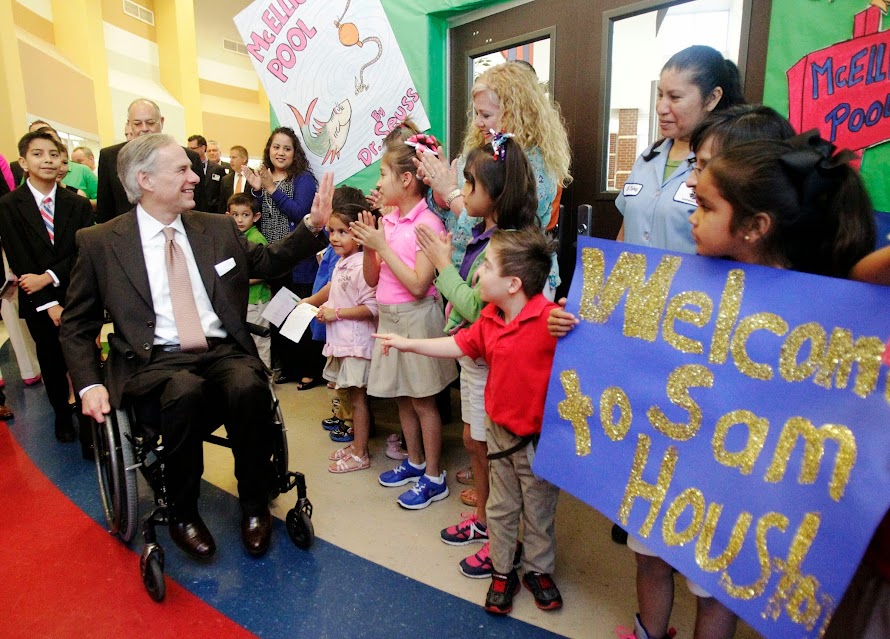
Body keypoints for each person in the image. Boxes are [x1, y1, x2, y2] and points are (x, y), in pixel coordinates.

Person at [555, 133, 875, 639]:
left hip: (732, 488)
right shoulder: (685, 284)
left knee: (716, 583)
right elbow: (624, 340)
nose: (691, 216)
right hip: (664, 465)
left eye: (704, 205)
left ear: (754, 226)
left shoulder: (814, 315)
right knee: (650, 558)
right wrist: (578, 325)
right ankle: (648, 632)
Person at [60, 133, 334, 559]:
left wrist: (312, 226)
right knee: (183, 392)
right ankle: (184, 514)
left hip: (220, 349)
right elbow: (77, 324)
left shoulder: (217, 228)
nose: (194, 177)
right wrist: (88, 384)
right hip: (155, 361)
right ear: (145, 179)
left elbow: (268, 261)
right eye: (182, 170)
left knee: (248, 385)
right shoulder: (100, 242)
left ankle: (255, 504)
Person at [375, 227, 563, 615]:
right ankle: (501, 568)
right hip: (499, 433)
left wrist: (573, 323)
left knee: (539, 509)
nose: (477, 274)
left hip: (539, 440)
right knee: (501, 506)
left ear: (512, 284)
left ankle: (538, 571)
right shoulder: (490, 319)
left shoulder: (550, 320)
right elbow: (456, 344)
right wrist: (408, 343)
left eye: (487, 267)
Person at [418, 133, 539, 578]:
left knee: (492, 449)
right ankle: (487, 522)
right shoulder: (485, 234)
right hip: (473, 357)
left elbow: (475, 307)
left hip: (490, 361)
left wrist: (442, 266)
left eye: (469, 185)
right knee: (474, 439)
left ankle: (499, 532)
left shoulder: (505, 246)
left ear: (497, 195)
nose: (461, 193)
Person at [350, 120, 457, 510]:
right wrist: (369, 245)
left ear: (408, 179)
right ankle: (413, 462)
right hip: (390, 318)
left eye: (383, 174)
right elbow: (373, 277)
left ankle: (433, 475)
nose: (379, 182)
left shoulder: (427, 224)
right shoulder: (390, 220)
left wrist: (382, 243)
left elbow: (416, 283)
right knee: (402, 397)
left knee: (424, 399)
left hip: (417, 317)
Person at [414, 61, 571, 292]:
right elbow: (448, 213)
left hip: (513, 282)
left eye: (486, 114)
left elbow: (502, 224)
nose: (478, 122)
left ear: (516, 113)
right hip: (466, 277)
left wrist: (450, 193)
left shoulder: (532, 164)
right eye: (476, 113)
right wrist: (437, 188)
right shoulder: (479, 152)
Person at [0, 131, 93, 450]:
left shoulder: (77, 205)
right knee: (52, 364)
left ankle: (88, 422)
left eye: (53, 154)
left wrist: (50, 276)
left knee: (83, 362)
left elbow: (82, 252)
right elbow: (19, 256)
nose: (48, 160)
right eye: (38, 154)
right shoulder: (9, 205)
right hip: (38, 302)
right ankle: (61, 416)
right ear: (23, 162)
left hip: (77, 296)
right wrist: (48, 302)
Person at [615, 44, 744, 255]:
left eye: (675, 98)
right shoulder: (647, 159)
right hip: (636, 285)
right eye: (660, 95)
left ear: (712, 98)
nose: (661, 108)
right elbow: (624, 232)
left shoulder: (723, 162)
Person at [303, 188, 378, 473]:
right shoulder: (343, 262)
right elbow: (334, 289)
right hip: (344, 343)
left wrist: (336, 314)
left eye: (342, 232)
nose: (334, 237)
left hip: (357, 344)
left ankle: (361, 452)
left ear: (358, 235)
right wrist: (312, 302)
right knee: (351, 398)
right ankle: (357, 444)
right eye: (332, 231)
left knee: (359, 401)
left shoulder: (361, 265)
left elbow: (372, 308)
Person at [243, 127, 320, 388]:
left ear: (295, 152)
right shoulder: (262, 177)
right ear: (269, 149)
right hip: (272, 260)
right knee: (280, 316)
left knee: (301, 315)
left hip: (298, 260)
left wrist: (271, 188)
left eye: (287, 148)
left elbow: (301, 214)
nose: (281, 152)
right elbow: (254, 215)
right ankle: (289, 367)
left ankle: (309, 370)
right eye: (276, 147)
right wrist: (256, 191)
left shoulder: (304, 179)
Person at [97, 99, 206, 222]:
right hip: (126, 236)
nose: (144, 129)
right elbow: (105, 209)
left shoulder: (189, 157)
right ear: (129, 124)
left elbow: (201, 208)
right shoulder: (110, 157)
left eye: (150, 122)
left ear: (162, 122)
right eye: (137, 123)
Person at [225, 192, 272, 368]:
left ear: (256, 216)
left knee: (259, 341)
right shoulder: (229, 237)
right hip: (238, 299)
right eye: (235, 215)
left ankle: (265, 378)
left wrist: (236, 280)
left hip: (255, 300)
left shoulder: (256, 239)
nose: (239, 220)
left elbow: (264, 271)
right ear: (227, 216)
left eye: (245, 215)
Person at [188, 134, 226, 212]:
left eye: (193, 148)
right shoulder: (188, 168)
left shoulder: (218, 168)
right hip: (194, 211)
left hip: (213, 212)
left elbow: (222, 193)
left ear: (203, 148)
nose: (190, 152)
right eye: (189, 149)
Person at [218, 145, 249, 213]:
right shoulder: (225, 180)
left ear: (244, 159)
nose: (231, 161)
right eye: (230, 158)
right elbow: (222, 205)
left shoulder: (254, 176)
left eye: (234, 157)